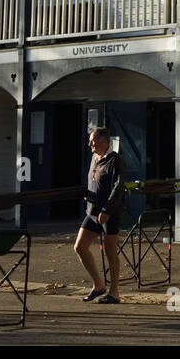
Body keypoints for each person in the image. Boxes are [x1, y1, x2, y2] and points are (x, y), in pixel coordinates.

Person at [73, 127, 125, 304]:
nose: (89, 144)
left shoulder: (115, 160)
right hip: (92, 211)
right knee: (80, 246)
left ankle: (114, 292)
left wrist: (107, 210)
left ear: (104, 141)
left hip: (109, 213)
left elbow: (118, 188)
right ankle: (98, 285)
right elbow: (94, 180)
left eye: (92, 140)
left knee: (110, 251)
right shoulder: (95, 158)